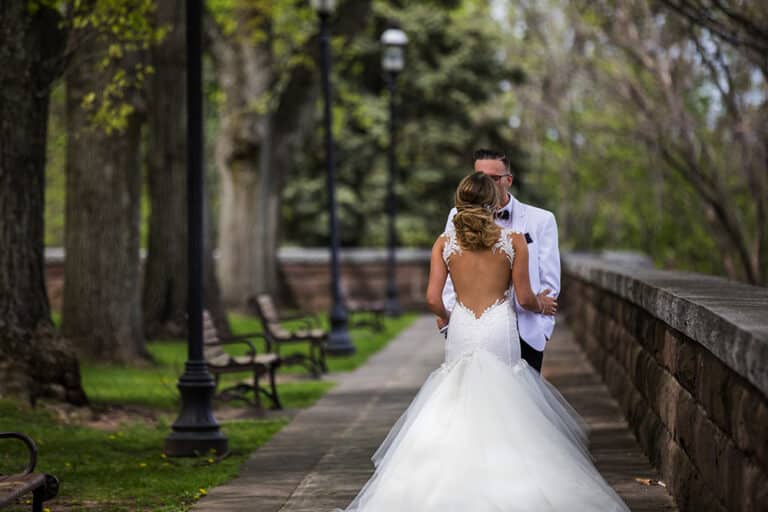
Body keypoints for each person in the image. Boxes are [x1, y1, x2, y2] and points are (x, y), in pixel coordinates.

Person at [336, 173, 628, 511]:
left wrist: (448, 315)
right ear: (493, 203)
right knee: (507, 397)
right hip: (497, 326)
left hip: (462, 325)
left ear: (459, 202)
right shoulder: (513, 241)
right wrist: (542, 305)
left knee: (457, 396)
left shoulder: (443, 244)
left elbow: (431, 299)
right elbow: (524, 298)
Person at [442, 149, 560, 373]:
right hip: (469, 330)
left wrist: (542, 329)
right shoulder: (456, 216)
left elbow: (549, 280)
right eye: (480, 177)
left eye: (494, 178)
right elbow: (450, 268)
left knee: (522, 395)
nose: (486, 184)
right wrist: (449, 319)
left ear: (509, 180)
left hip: (526, 332)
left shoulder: (542, 220)